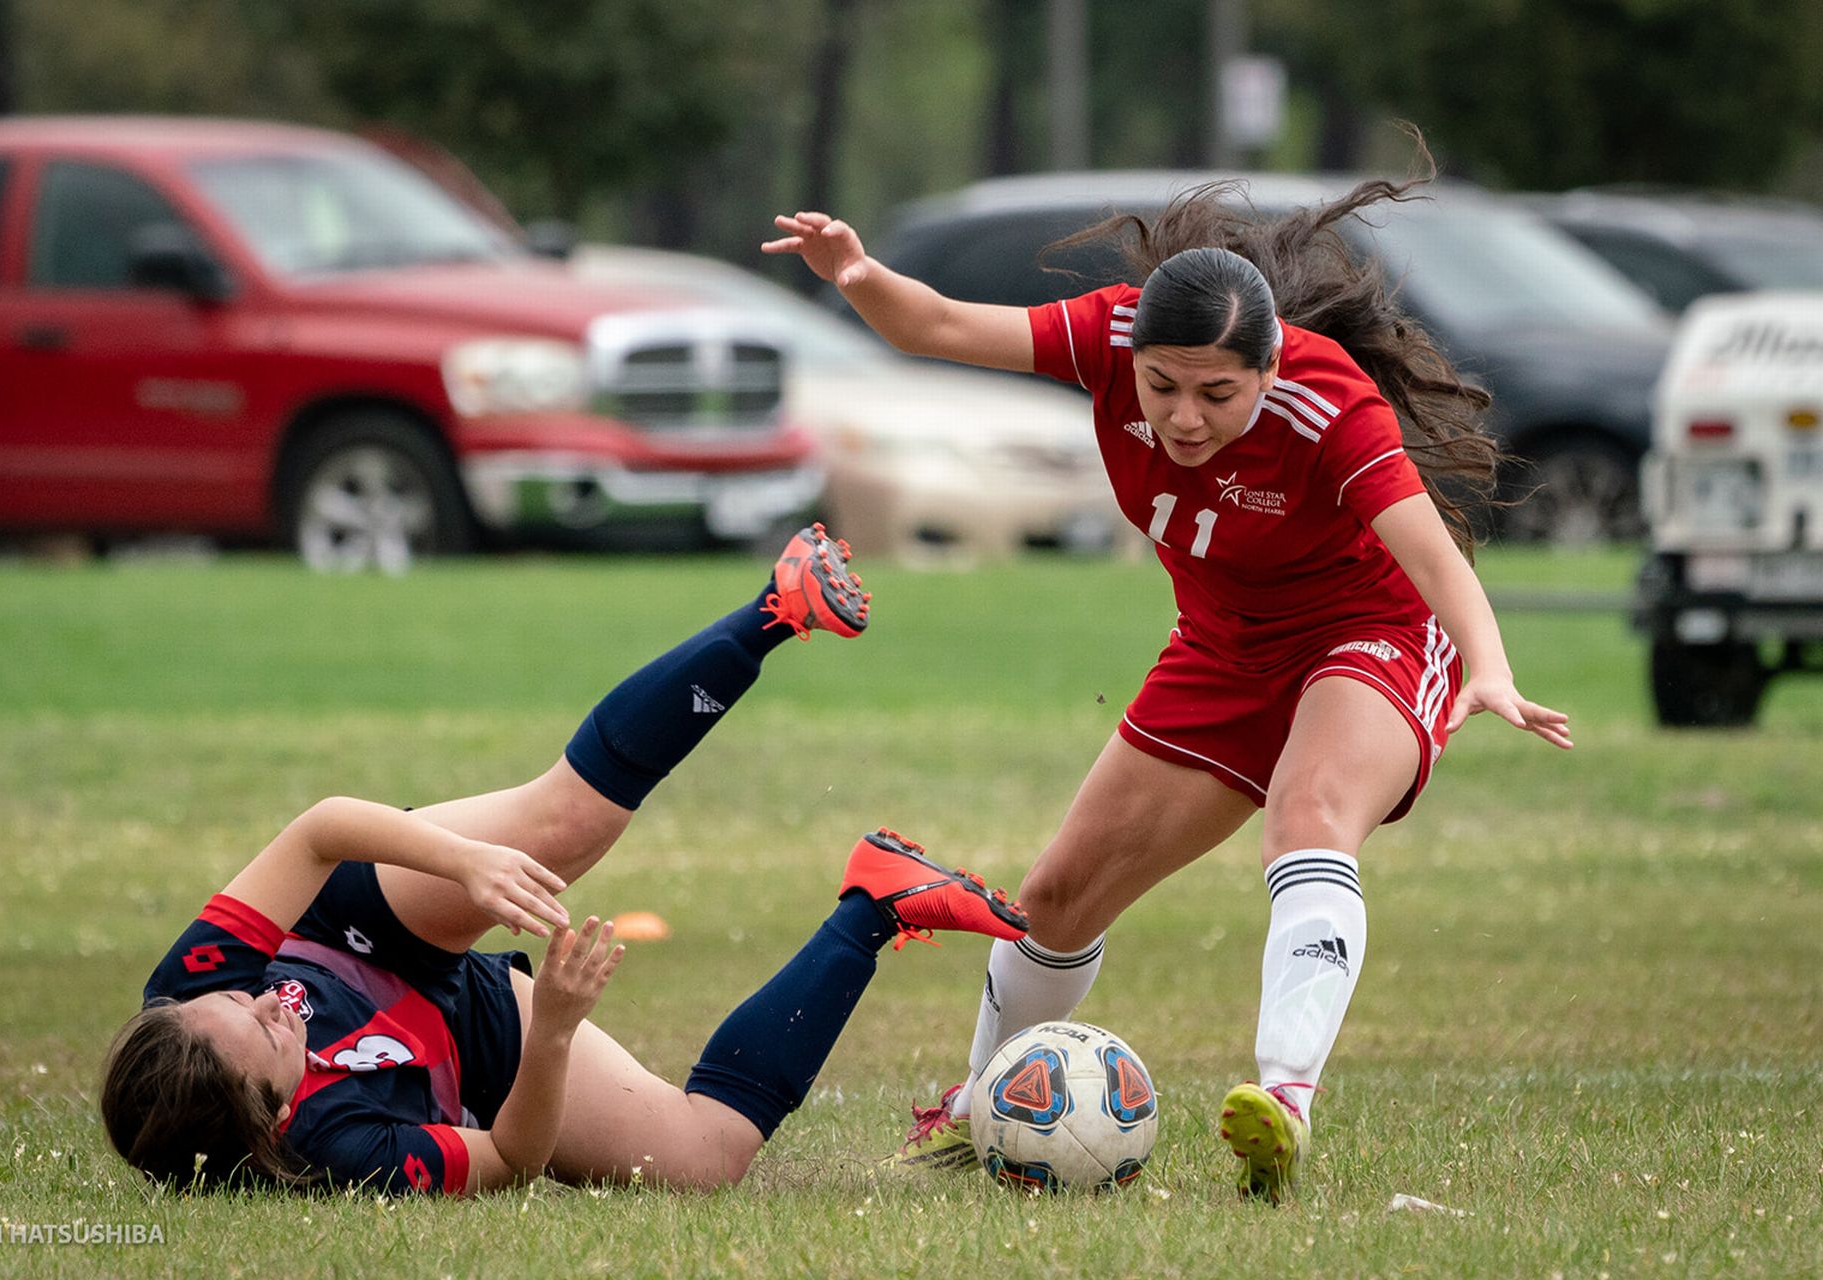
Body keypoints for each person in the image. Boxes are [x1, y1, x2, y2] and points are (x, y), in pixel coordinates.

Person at [765, 150, 1572, 1202]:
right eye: (1163, 388)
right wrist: (857, 272)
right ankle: (985, 1106)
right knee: (1056, 893)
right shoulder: (1105, 336)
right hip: (1224, 646)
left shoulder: (1329, 406)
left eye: (1217, 394)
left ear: (1271, 370)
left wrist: (1491, 666)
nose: (1184, 418)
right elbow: (940, 326)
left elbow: (1428, 553)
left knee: (1311, 806)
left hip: (1370, 633)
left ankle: (1284, 1100)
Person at [100, 526, 1029, 1195]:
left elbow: (319, 830)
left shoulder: (184, 998)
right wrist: (550, 1033)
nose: (263, 997)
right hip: (472, 1046)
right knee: (704, 1160)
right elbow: (511, 1160)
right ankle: (878, 901)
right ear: (271, 1124)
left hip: (355, 924)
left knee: (558, 830)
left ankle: (777, 610)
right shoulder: (338, 1153)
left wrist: (463, 861)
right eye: (264, 1033)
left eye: (233, 997)